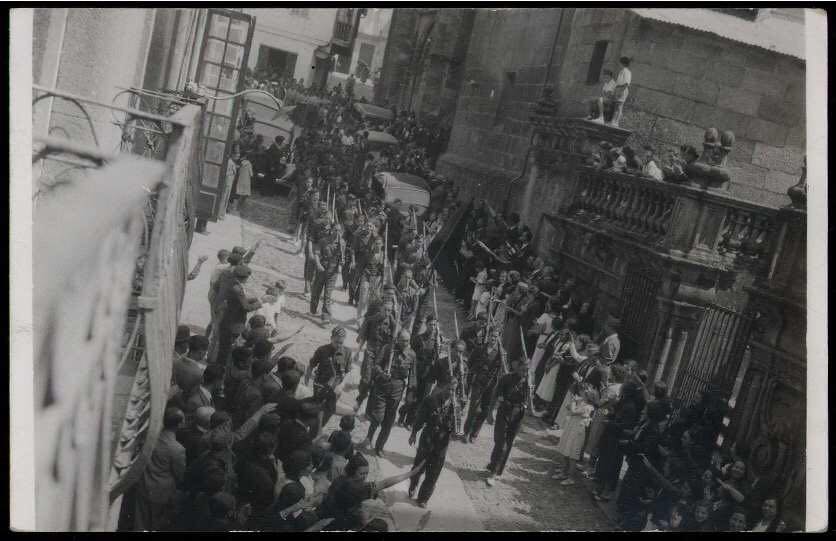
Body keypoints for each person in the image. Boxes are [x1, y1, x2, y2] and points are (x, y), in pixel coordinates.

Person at [318, 452, 425, 531]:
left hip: (329, 512)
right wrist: (410, 474)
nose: (364, 477)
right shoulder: (357, 488)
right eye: (362, 473)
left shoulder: (340, 479)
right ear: (352, 471)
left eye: (366, 473)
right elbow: (385, 483)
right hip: (341, 520)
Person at [363, 330, 416, 457]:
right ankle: (368, 438)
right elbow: (376, 365)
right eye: (403, 340)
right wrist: (382, 373)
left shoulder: (412, 355)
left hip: (397, 390)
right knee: (378, 417)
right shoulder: (387, 348)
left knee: (388, 422)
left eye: (407, 341)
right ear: (397, 339)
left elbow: (413, 376)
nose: (405, 343)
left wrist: (410, 395)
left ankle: (379, 447)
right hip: (382, 386)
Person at [133, 408, 187, 531]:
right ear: (178, 425)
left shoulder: (148, 438)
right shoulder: (177, 449)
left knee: (140, 523)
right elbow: (179, 474)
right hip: (162, 492)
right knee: (156, 524)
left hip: (143, 485)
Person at [407, 384, 456, 506]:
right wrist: (413, 433)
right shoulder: (430, 399)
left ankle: (423, 499)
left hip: (442, 444)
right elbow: (420, 418)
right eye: (448, 388)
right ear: (443, 387)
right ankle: (413, 484)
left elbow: (456, 430)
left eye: (453, 389)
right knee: (418, 467)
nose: (450, 391)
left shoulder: (456, 406)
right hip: (428, 439)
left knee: (434, 473)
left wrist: (456, 427)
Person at [486, 356, 529, 487]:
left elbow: (529, 402)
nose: (524, 373)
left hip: (518, 414)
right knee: (500, 442)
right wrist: (490, 413)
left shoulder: (529, 381)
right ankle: (494, 467)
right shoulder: (506, 378)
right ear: (517, 367)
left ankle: (495, 471)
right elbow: (495, 395)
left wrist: (530, 390)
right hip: (504, 411)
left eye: (527, 371)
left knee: (508, 444)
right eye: (523, 370)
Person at [462, 328, 504, 444]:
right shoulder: (480, 349)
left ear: (499, 338)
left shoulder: (501, 353)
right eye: (491, 336)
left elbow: (502, 372)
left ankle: (475, 433)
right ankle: (466, 432)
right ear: (488, 336)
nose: (493, 338)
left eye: (496, 336)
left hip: (491, 385)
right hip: (478, 383)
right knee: (474, 409)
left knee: (485, 410)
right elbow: (470, 364)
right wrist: (470, 380)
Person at [552, 383, 598, 487]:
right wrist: (574, 402)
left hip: (578, 431)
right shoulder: (581, 402)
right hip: (571, 428)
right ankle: (564, 472)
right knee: (566, 450)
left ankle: (571, 477)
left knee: (573, 455)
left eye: (584, 393)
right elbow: (568, 406)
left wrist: (573, 401)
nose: (581, 394)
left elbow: (573, 411)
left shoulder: (589, 407)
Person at [306, 326, 353, 427]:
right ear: (331, 338)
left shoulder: (348, 352)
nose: (338, 345)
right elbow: (310, 366)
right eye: (336, 342)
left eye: (341, 342)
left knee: (330, 410)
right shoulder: (322, 350)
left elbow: (348, 371)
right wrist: (306, 383)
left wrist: (342, 385)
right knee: (316, 409)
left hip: (335, 388)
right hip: (320, 385)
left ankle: (320, 427)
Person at [310, 221, 343, 322]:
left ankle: (326, 316)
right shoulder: (323, 241)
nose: (337, 232)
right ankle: (313, 309)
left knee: (327, 295)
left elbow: (343, 259)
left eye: (339, 230)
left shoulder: (342, 243)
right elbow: (316, 253)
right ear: (331, 230)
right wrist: (318, 264)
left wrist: (342, 263)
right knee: (316, 292)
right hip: (322, 269)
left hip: (333, 272)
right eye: (335, 230)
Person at [610, 57, 632, 127]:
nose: (619, 64)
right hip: (619, 88)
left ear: (623, 63)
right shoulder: (622, 71)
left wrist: (620, 92)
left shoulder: (627, 72)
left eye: (620, 63)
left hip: (622, 89)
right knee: (616, 106)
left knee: (619, 106)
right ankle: (613, 121)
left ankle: (616, 122)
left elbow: (626, 83)